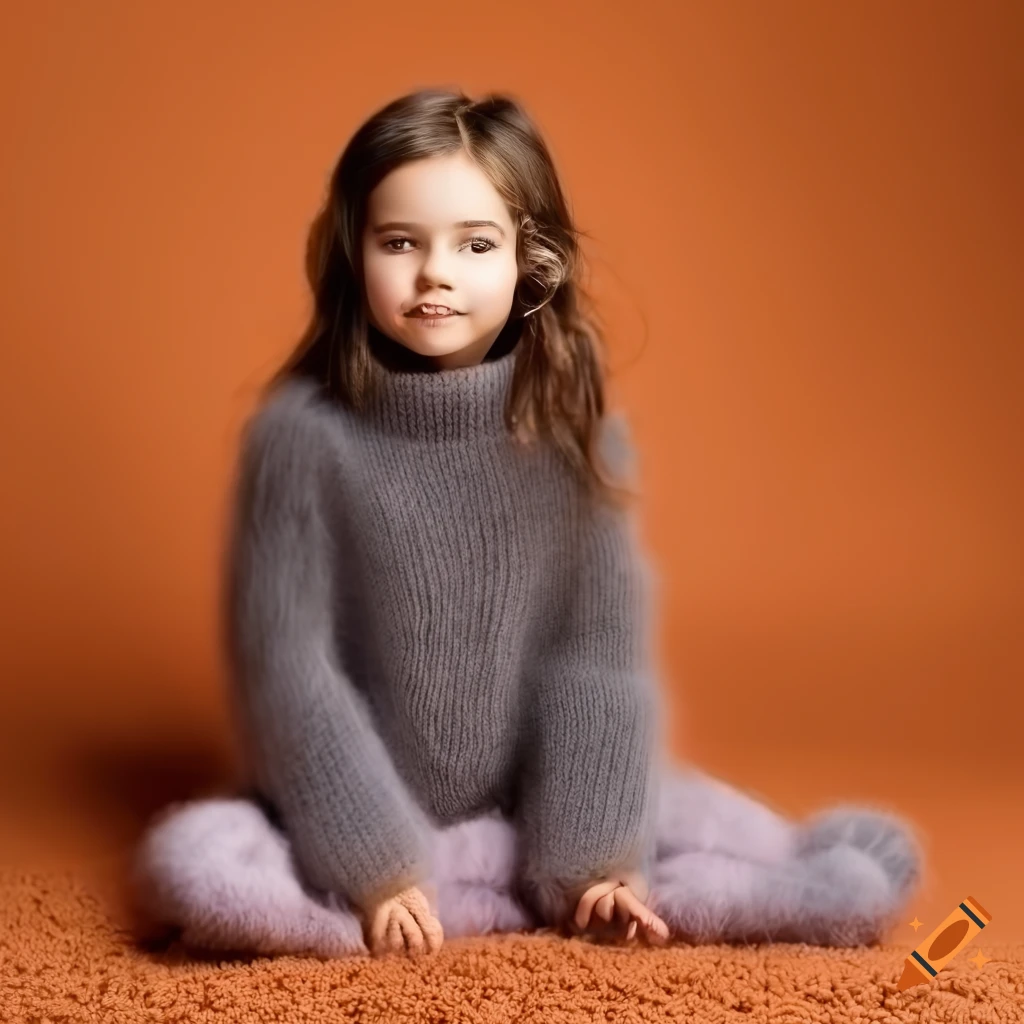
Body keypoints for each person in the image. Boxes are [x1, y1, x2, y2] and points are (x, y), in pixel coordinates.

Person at [132, 89, 924, 961]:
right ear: (353, 252)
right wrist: (378, 867)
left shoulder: (576, 440)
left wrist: (590, 862)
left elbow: (594, 657)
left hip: (528, 803)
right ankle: (402, 885)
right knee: (204, 866)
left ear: (531, 263)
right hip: (358, 806)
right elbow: (288, 670)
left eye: (475, 245)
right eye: (401, 243)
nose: (436, 272)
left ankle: (756, 869)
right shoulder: (303, 437)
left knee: (695, 837)